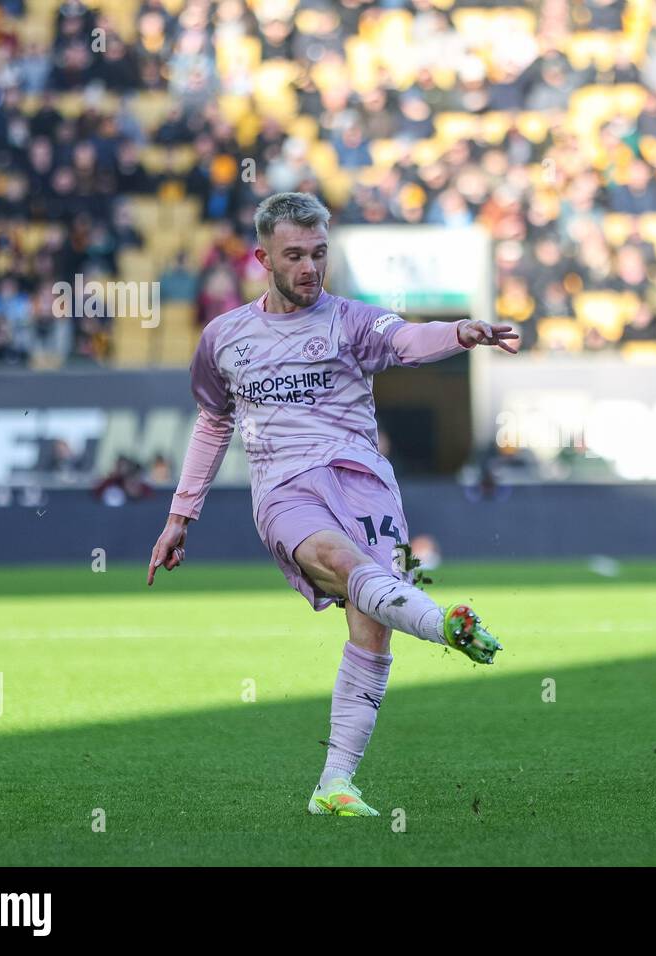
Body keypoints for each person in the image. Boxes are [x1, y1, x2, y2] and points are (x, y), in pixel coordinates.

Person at [146, 192, 519, 818]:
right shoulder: (224, 338)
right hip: (286, 490)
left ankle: (335, 784)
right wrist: (181, 516)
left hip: (367, 487)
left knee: (370, 626)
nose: (310, 268)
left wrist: (459, 332)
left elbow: (404, 338)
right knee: (343, 565)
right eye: (294, 256)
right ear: (263, 257)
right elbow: (214, 423)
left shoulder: (349, 321)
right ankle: (443, 625)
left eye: (319, 253)